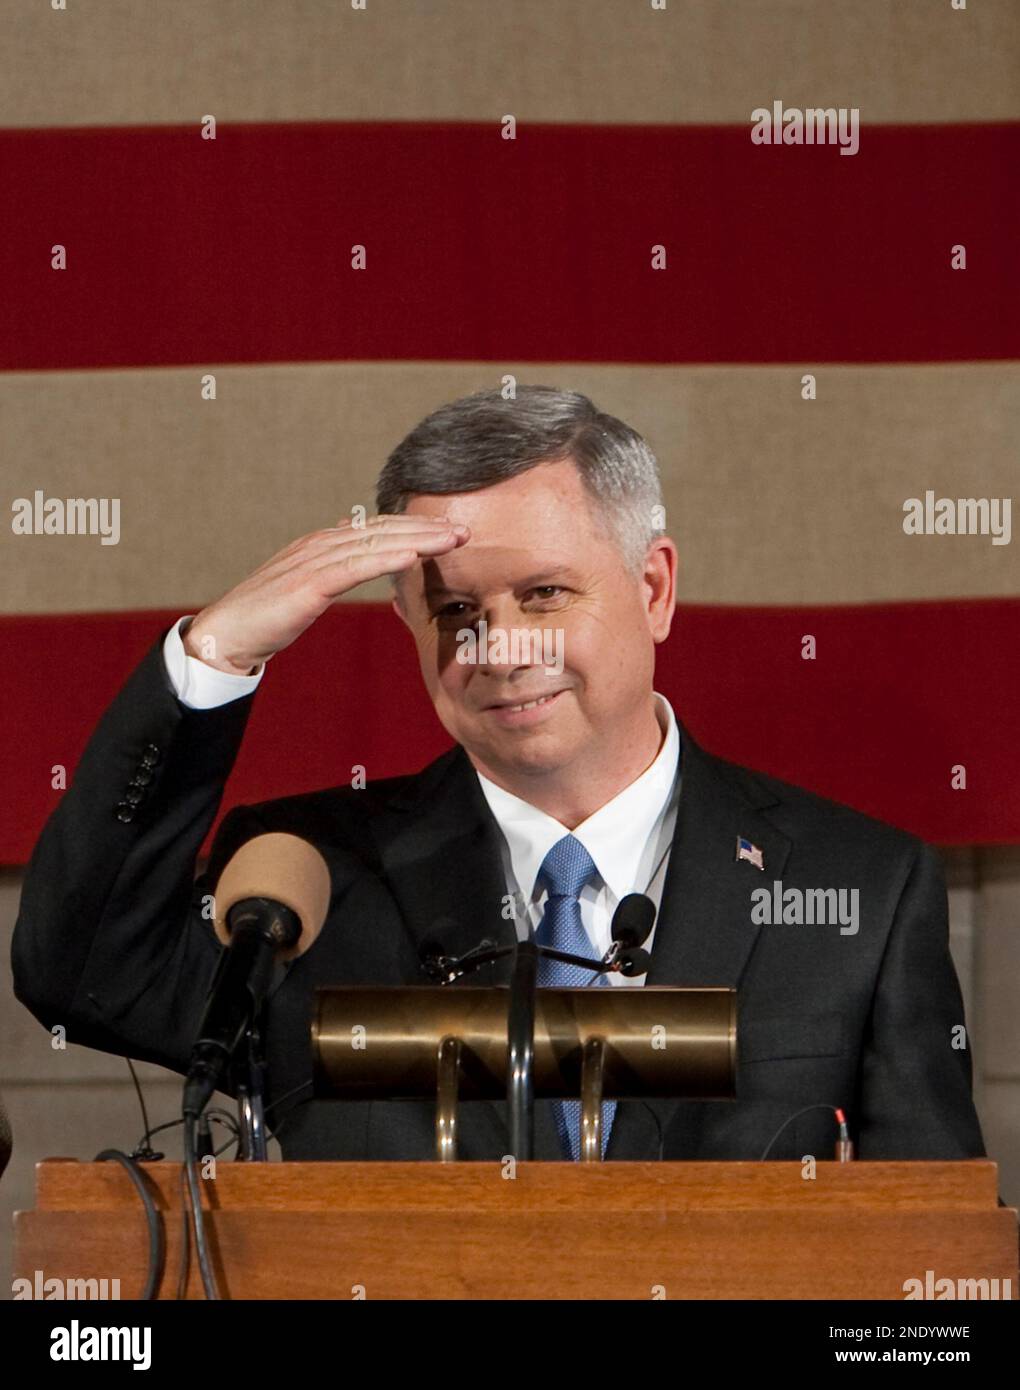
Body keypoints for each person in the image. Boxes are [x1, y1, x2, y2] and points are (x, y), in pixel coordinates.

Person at [12, 386, 986, 1162]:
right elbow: (82, 970)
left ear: (654, 587)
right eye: (455, 612)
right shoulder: (306, 879)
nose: (500, 648)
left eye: (544, 594)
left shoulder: (860, 886)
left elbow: (928, 1259)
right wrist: (212, 658)